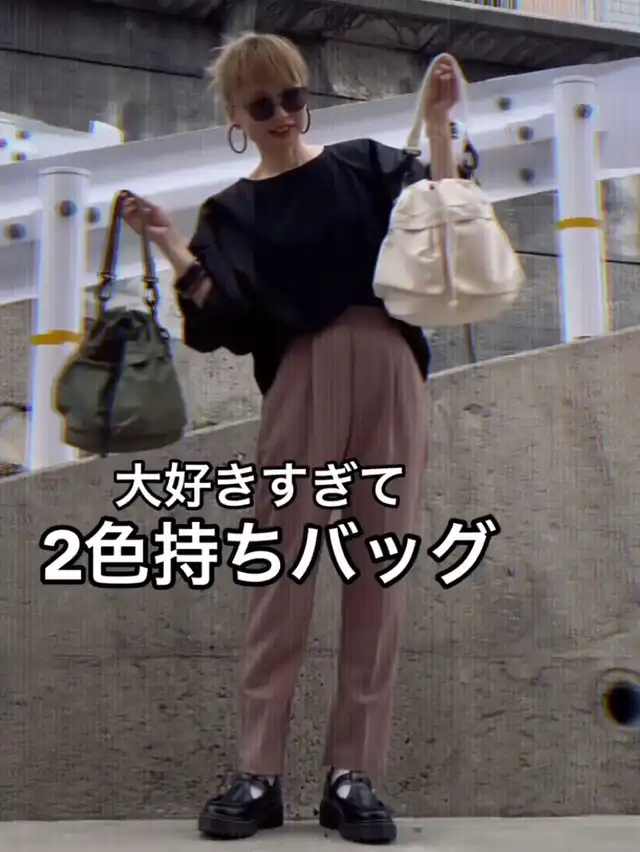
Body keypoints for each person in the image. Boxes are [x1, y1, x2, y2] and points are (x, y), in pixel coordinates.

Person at [123, 32, 474, 845]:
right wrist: (169, 242)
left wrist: (438, 123)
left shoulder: (366, 166)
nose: (282, 114)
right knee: (280, 572)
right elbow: (222, 321)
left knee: (379, 571)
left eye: (293, 96)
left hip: (389, 367)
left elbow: (442, 217)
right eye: (262, 104)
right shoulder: (232, 213)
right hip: (299, 378)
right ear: (234, 115)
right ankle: (259, 775)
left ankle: (354, 776)